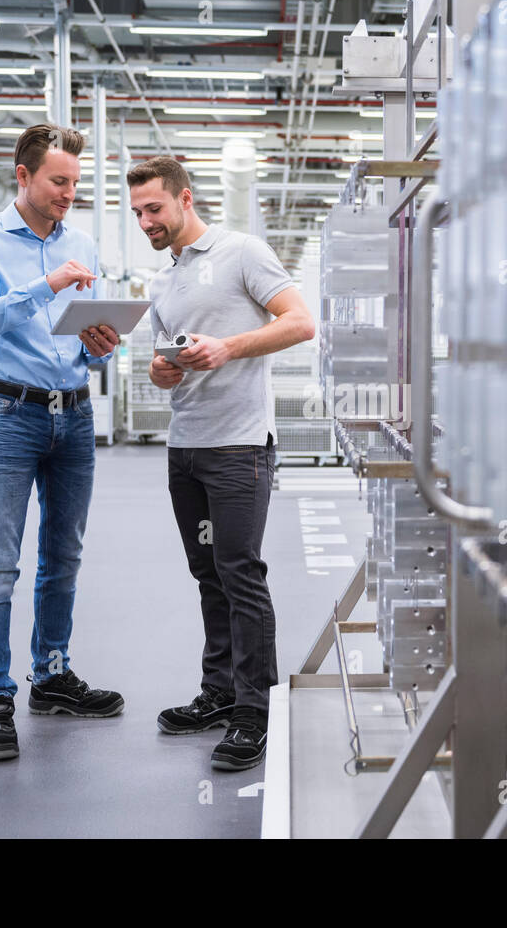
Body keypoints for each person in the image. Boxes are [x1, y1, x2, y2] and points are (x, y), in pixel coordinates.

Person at [132, 155, 315, 771]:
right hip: (186, 447)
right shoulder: (164, 281)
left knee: (240, 573)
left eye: (153, 208)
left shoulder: (242, 252)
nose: (145, 221)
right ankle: (217, 693)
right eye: (136, 213)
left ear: (185, 200)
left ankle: (252, 711)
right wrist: (162, 370)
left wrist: (230, 346)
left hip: (239, 449)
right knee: (207, 572)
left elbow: (300, 322)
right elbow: (165, 370)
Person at [0, 124, 124, 761]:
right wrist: (40, 289)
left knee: (64, 557)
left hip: (73, 415)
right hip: (7, 414)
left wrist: (102, 347)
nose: (68, 194)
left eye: (75, 183)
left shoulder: (82, 241)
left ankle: (51, 676)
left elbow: (89, 335)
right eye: (59, 182)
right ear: (22, 177)